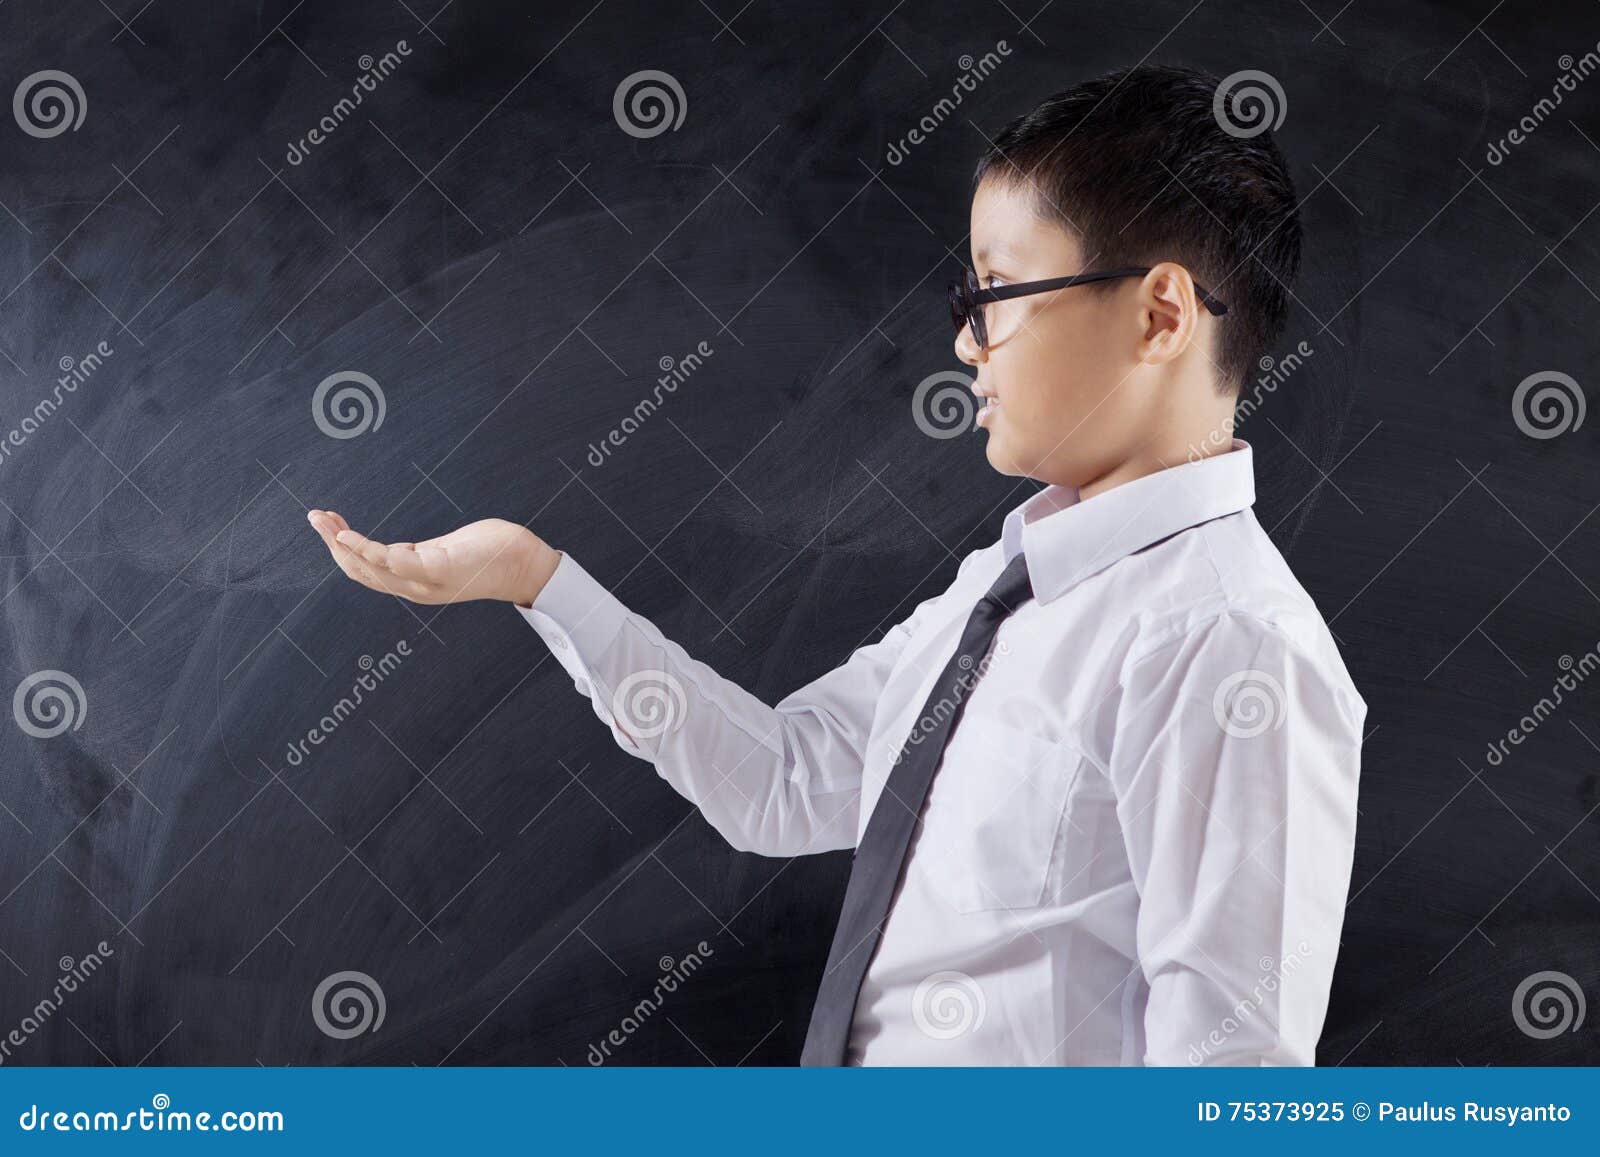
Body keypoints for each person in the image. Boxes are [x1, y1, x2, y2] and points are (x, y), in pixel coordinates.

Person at [307, 64, 1366, 1066]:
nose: (966, 341)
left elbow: (1229, 1070)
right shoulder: (1006, 587)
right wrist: (536, 578)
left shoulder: (1225, 640)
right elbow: (780, 779)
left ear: (1159, 313)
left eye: (995, 290)